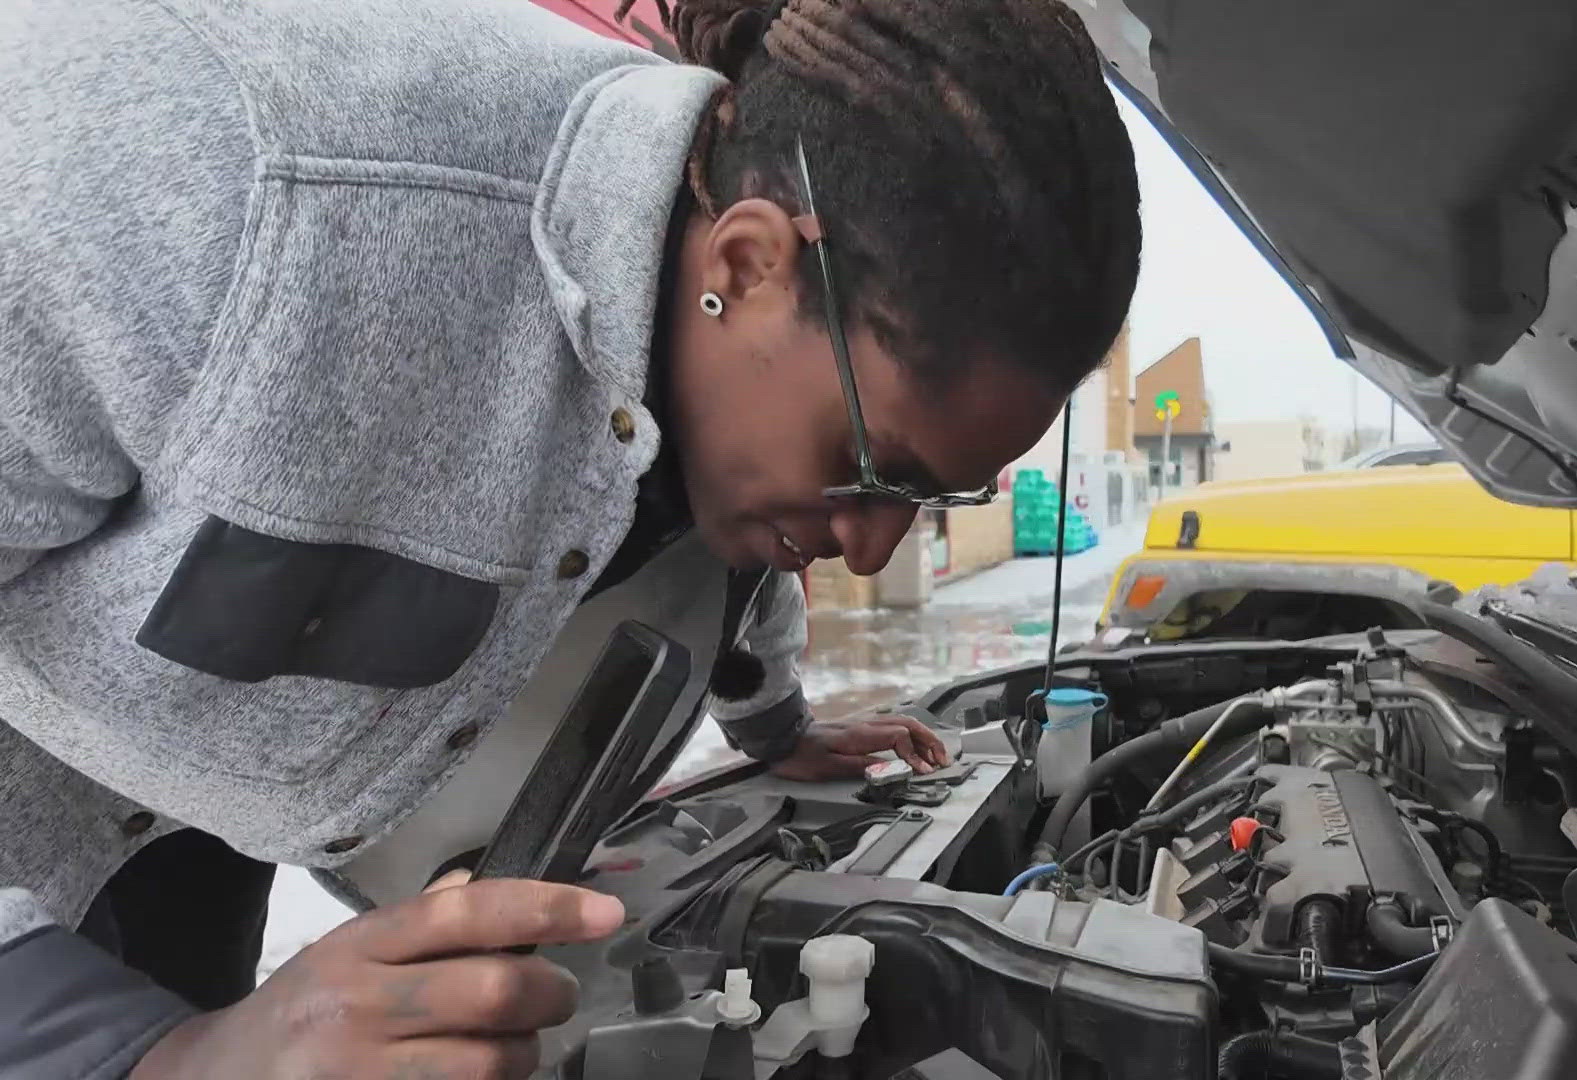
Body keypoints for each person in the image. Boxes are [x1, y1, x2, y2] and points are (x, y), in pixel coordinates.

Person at [0, 0, 1140, 1074]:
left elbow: (717, 536)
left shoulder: (713, 310)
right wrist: (147, 1054)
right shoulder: (198, 179)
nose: (874, 548)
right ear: (747, 264)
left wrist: (773, 718)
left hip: (199, 819)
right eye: (867, 470)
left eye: (928, 496)